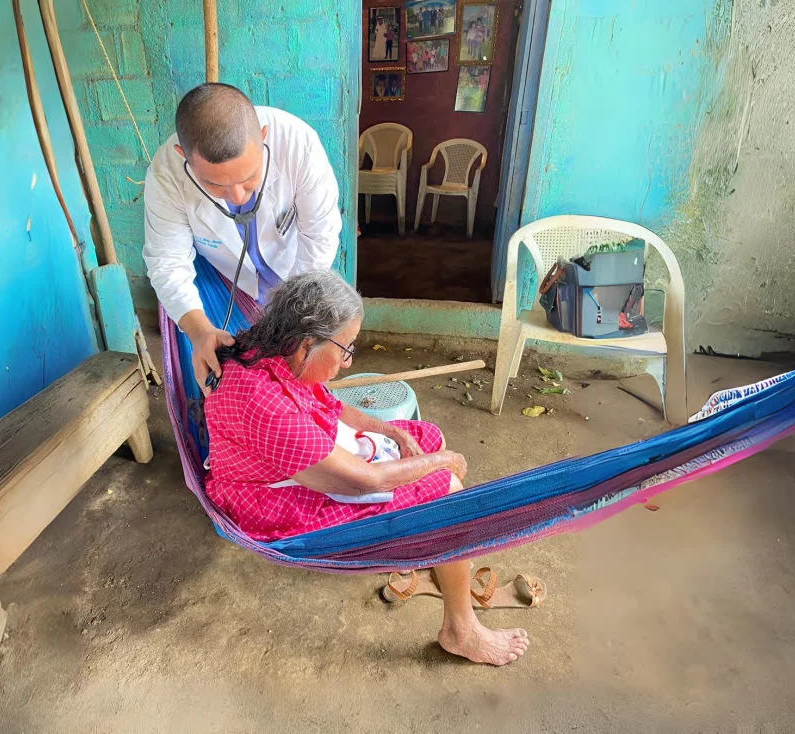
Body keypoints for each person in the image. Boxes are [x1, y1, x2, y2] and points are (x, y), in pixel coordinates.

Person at [203, 270, 530, 666]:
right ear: (308, 343)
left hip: (293, 458)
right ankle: (461, 630)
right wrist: (441, 464)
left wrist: (390, 429)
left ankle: (439, 553)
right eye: (346, 349)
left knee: (427, 437)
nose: (347, 362)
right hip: (271, 499)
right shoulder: (265, 405)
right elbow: (366, 481)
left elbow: (330, 406)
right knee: (449, 495)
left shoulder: (271, 346)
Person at [143, 84, 341, 392]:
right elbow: (167, 262)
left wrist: (296, 315)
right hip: (220, 280)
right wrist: (199, 331)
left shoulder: (297, 143)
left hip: (292, 273)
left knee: (295, 378)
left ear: (262, 138)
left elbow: (320, 235)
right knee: (227, 380)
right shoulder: (165, 174)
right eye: (215, 185)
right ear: (184, 157)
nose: (236, 195)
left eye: (249, 178)